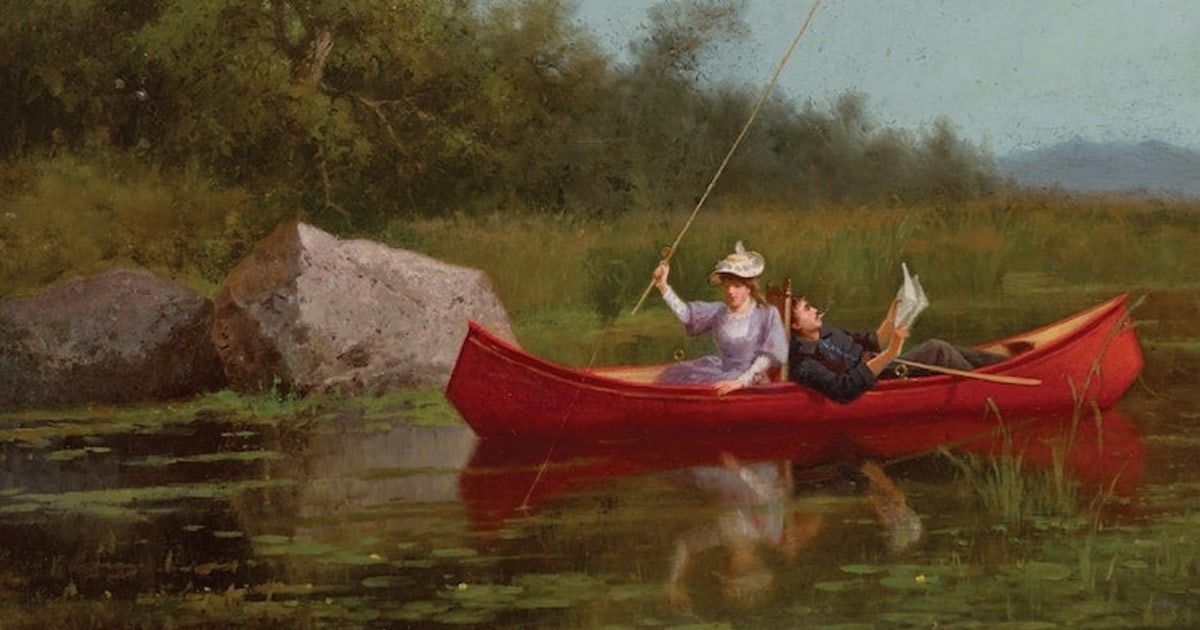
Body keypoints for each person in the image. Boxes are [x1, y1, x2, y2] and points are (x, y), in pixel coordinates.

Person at [788, 295, 1006, 403]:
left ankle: (1004, 367)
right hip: (878, 381)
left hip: (883, 366)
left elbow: (872, 340)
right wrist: (892, 352)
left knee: (946, 350)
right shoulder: (805, 362)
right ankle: (988, 393)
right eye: (807, 308)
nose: (816, 309)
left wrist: (893, 315)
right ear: (796, 325)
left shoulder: (827, 331)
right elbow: (843, 389)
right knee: (938, 350)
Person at [653, 241, 788, 395]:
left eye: (737, 286)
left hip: (751, 380)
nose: (730, 291)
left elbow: (768, 357)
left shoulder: (766, 314)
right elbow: (686, 314)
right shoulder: (719, 312)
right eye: (726, 286)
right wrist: (663, 285)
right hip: (719, 371)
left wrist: (740, 382)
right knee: (680, 379)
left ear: (749, 287)